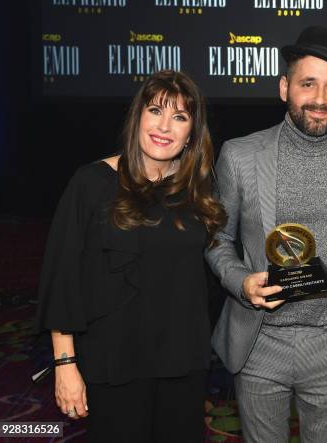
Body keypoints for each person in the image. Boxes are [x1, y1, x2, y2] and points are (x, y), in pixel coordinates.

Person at [206, 26, 327, 443]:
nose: (320, 99)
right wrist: (240, 281)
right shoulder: (241, 155)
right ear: (285, 87)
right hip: (260, 340)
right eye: (308, 84)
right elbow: (217, 240)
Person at [36, 70, 226, 442]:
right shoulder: (91, 183)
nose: (164, 126)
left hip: (182, 365)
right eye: (156, 110)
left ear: (192, 133)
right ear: (138, 116)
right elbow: (64, 279)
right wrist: (65, 364)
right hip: (114, 362)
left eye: (180, 117)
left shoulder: (198, 193)